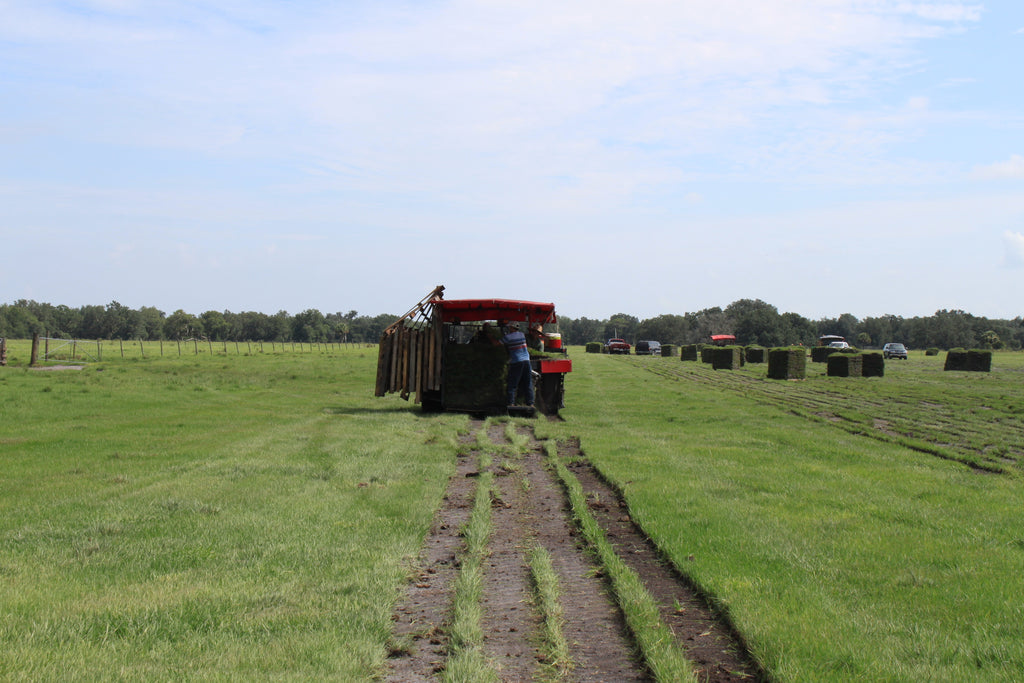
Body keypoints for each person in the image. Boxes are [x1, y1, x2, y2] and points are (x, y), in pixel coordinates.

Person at [501, 322, 534, 407]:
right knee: (528, 383)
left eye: (509, 328)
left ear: (512, 328)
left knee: (512, 384)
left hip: (517, 362)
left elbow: (496, 344)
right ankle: (530, 404)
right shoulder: (522, 335)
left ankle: (511, 403)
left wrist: (489, 335)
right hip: (527, 361)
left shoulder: (508, 337)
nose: (508, 329)